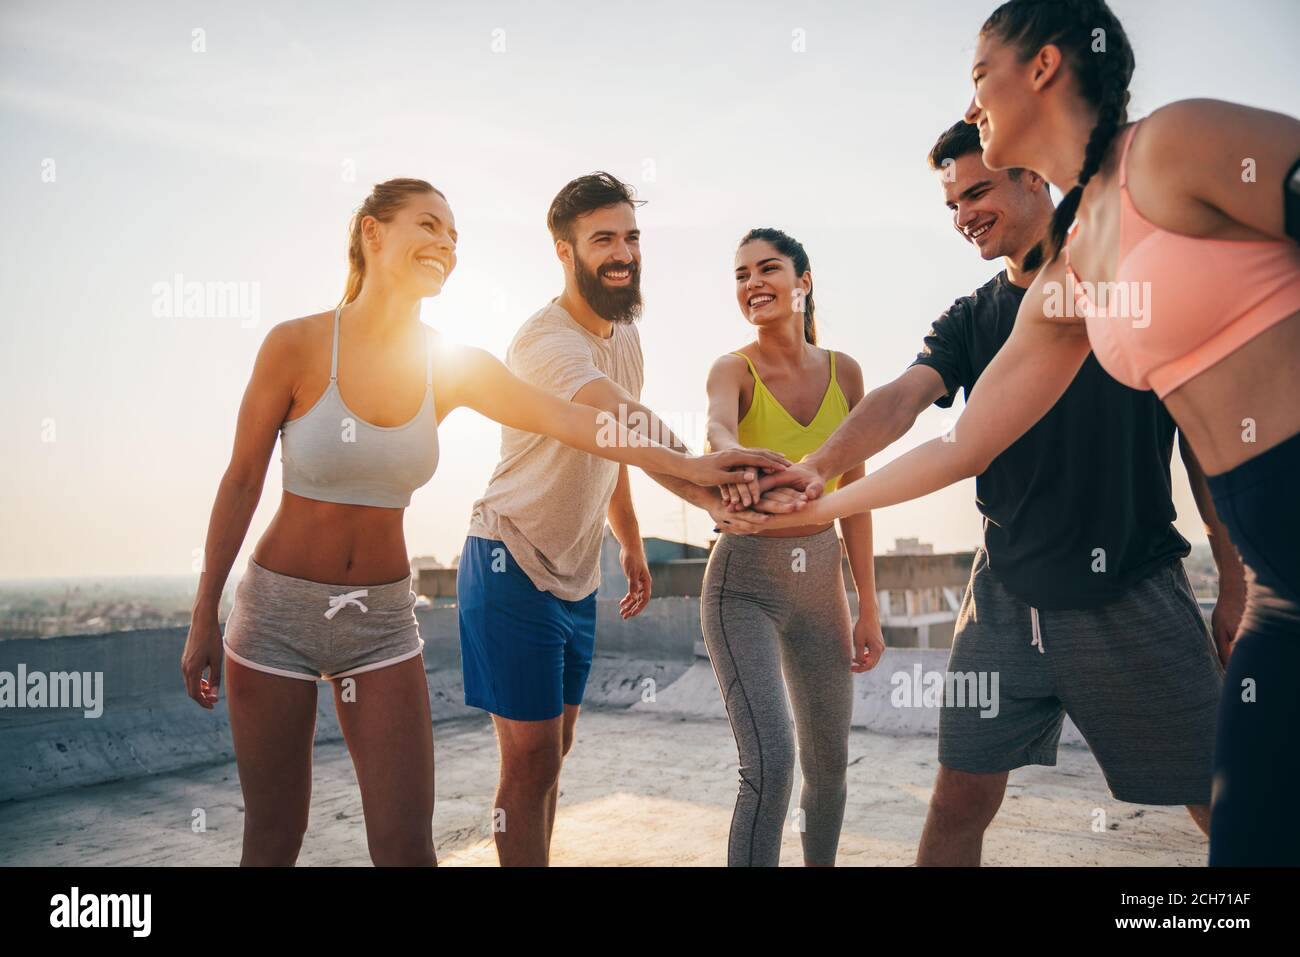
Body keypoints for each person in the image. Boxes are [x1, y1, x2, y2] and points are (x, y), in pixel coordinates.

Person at [761, 0, 1300, 866]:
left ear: (1044, 67)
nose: (972, 102)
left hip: (1157, 578)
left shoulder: (1173, 144)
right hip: (1246, 594)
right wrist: (811, 495)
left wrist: (1225, 567)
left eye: (980, 76)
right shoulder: (1075, 267)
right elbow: (957, 442)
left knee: (1231, 811)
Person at [180, 177, 787, 866]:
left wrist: (698, 471)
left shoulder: (452, 364)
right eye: (428, 225)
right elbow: (240, 480)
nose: (444, 244)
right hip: (277, 611)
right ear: (372, 233)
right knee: (274, 836)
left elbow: (579, 420)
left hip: (381, 623)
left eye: (454, 236)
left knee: (409, 845)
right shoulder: (295, 345)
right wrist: (206, 610)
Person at [457, 173, 797, 867]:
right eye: (604, 239)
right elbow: (617, 417)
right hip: (509, 558)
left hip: (575, 577)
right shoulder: (544, 341)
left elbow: (611, 451)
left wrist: (632, 542)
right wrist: (708, 479)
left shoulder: (625, 335)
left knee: (555, 755)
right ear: (565, 251)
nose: (624, 252)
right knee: (528, 765)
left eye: (631, 237)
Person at [699, 227, 883, 867]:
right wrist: (728, 451)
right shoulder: (733, 368)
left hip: (821, 583)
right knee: (771, 765)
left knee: (828, 764)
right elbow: (718, 423)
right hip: (743, 583)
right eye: (741, 275)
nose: (753, 284)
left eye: (767, 269)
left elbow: (855, 497)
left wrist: (868, 607)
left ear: (803, 280)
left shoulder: (846, 372)